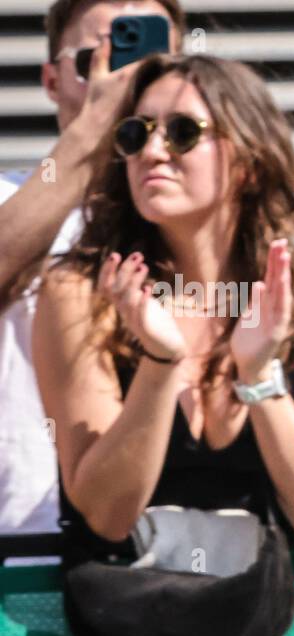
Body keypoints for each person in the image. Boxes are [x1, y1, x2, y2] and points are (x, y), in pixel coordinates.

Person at [34, 54, 294, 556]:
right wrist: (160, 363)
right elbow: (106, 513)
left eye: (183, 132)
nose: (152, 151)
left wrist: (259, 378)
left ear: (250, 164)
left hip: (271, 624)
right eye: (135, 133)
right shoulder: (84, 292)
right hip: (115, 621)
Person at [0, 0, 184, 537]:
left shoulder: (191, 204)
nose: (120, 77)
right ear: (52, 79)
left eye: (149, 63)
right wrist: (100, 122)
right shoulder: (12, 198)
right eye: (92, 60)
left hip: (166, 552)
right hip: (23, 536)